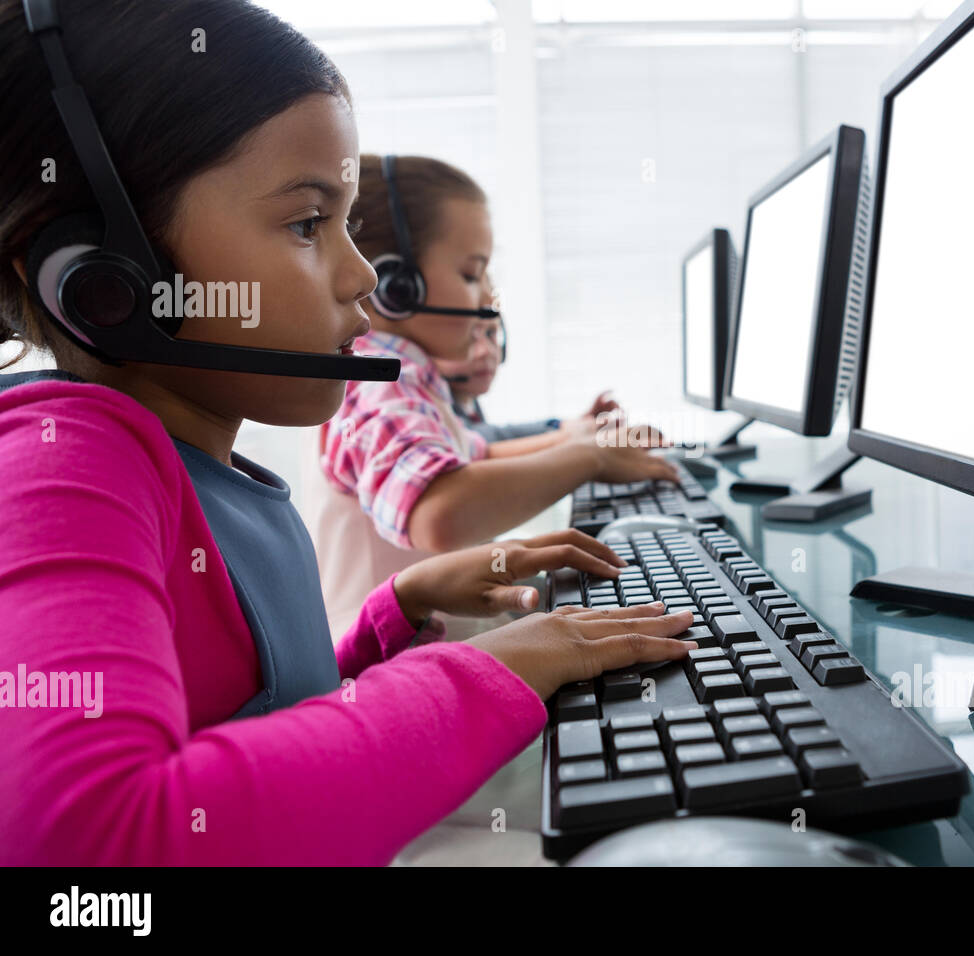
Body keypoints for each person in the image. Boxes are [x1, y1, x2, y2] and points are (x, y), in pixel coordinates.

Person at [0, 0, 695, 865]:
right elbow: (88, 842)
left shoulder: (214, 470)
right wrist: (493, 674)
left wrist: (388, 621)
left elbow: (255, 716)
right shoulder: (64, 469)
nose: (361, 273)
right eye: (305, 222)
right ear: (104, 277)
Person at [302, 153, 676, 637]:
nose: (485, 299)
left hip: (432, 658)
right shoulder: (375, 380)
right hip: (394, 676)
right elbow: (437, 512)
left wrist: (580, 439)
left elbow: (478, 455)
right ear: (396, 286)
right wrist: (588, 459)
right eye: (471, 273)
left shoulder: (412, 378)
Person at [437, 274, 620, 443]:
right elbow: (482, 439)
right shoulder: (434, 404)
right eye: (469, 337)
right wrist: (564, 429)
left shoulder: (468, 402)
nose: (486, 351)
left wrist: (580, 424)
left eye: (491, 333)